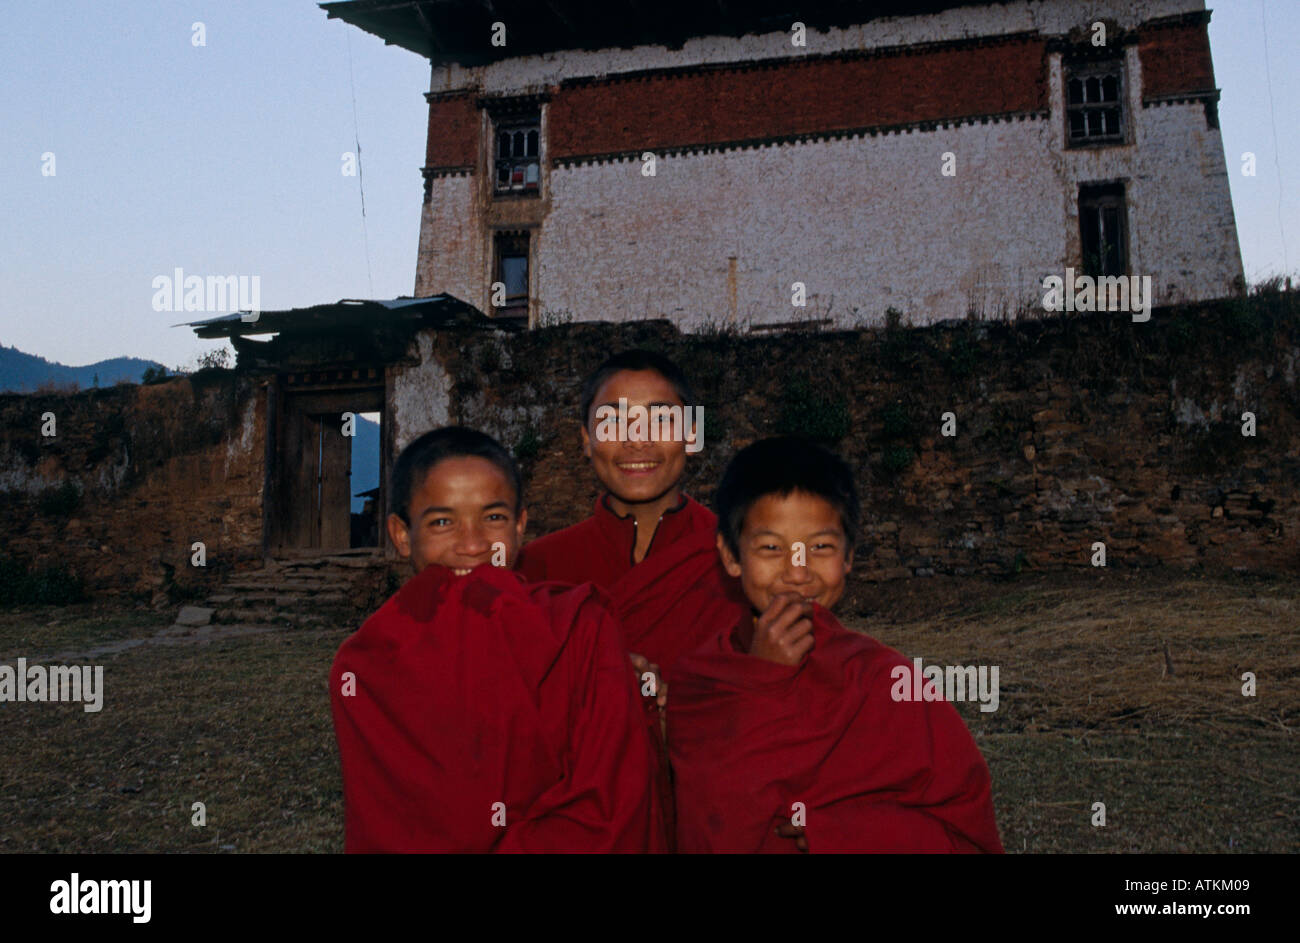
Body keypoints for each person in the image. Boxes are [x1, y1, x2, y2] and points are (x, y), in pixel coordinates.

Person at [330, 426, 665, 852]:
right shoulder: (366, 666)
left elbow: (612, 807)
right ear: (401, 535)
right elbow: (389, 826)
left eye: (493, 518)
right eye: (442, 522)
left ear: (520, 526)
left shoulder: (579, 628)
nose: (472, 545)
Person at [668, 437, 1004, 853]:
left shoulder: (885, 681)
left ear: (848, 558)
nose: (797, 571)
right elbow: (702, 825)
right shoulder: (700, 683)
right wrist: (762, 681)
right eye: (771, 547)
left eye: (820, 547)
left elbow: (966, 833)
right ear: (731, 556)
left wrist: (844, 833)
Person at [516, 349, 744, 676]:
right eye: (614, 422)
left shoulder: (737, 562)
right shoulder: (537, 568)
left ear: (693, 433)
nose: (637, 440)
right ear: (586, 439)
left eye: (662, 419)